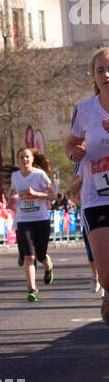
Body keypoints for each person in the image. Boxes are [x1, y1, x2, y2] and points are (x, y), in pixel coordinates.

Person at [66, 45, 109, 324]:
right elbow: (72, 143)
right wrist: (74, 153)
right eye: (100, 70)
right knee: (106, 275)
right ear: (93, 76)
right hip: (97, 196)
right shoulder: (84, 110)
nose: (106, 74)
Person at [9, 147, 56, 302]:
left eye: (27, 157)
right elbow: (14, 193)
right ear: (18, 160)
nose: (25, 160)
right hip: (23, 220)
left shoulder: (39, 175)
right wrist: (14, 198)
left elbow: (53, 195)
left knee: (41, 255)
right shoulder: (15, 176)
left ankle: (48, 267)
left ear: (32, 159)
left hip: (40, 219)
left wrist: (36, 194)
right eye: (21, 157)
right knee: (29, 256)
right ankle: (32, 289)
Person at [67, 167, 101, 295]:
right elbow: (72, 194)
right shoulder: (81, 168)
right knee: (91, 253)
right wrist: (81, 179)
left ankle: (104, 282)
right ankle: (95, 274)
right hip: (88, 218)